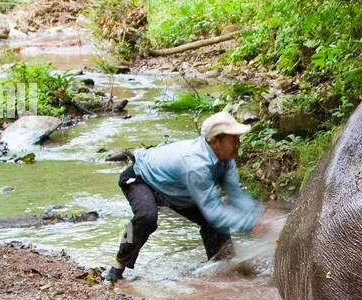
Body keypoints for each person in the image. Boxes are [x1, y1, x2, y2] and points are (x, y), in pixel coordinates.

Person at [104, 109, 270, 281]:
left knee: (213, 224)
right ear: (215, 142)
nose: (238, 143)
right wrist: (250, 223)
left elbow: (235, 194)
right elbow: (213, 209)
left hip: (177, 189)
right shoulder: (195, 164)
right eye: (233, 139)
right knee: (146, 217)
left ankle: (222, 269)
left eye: (238, 138)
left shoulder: (226, 159)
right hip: (140, 178)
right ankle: (118, 264)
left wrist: (257, 215)